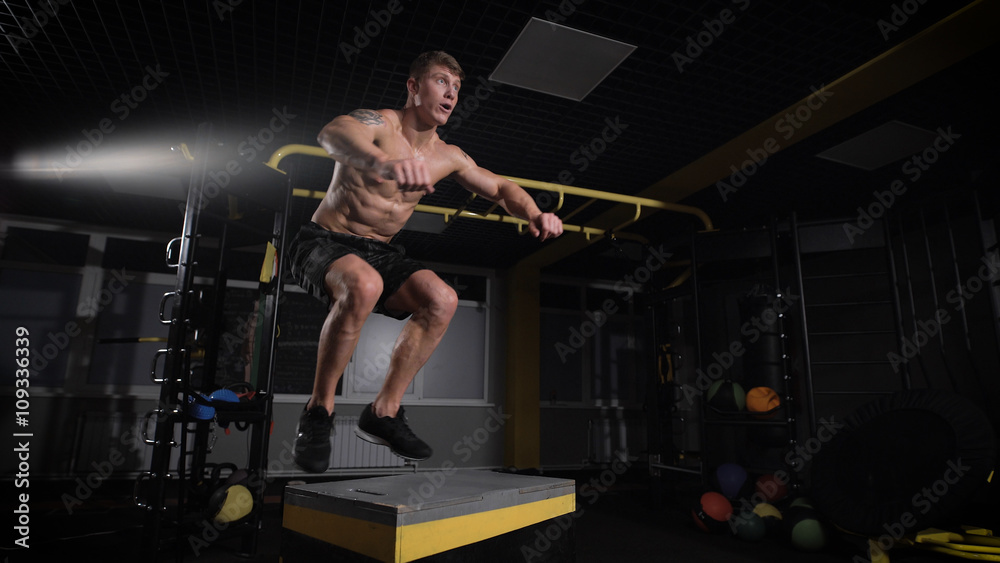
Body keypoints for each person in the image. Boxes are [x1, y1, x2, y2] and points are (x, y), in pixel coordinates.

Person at [288, 51, 564, 472]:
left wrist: (534, 213)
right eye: (440, 82)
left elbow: (503, 188)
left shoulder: (448, 155)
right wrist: (384, 163)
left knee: (442, 299)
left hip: (379, 250)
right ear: (414, 87)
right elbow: (332, 133)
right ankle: (318, 412)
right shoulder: (380, 123)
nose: (451, 93)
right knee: (364, 285)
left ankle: (384, 412)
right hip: (325, 239)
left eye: (456, 87)